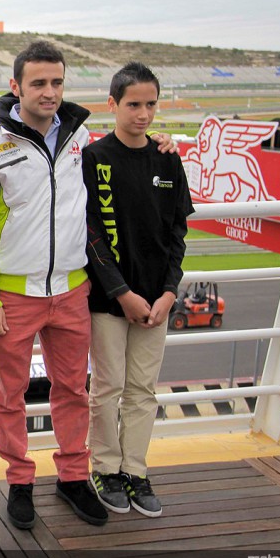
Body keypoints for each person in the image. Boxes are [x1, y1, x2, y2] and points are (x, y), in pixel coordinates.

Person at [0, 41, 177, 531]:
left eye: (57, 82)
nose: (49, 92)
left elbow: (128, 146)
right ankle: (20, 481)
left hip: (73, 292)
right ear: (15, 86)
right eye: (38, 83)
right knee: (9, 395)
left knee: (73, 390)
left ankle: (71, 478)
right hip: (14, 294)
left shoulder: (82, 139)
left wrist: (165, 142)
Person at [84, 62, 194, 519]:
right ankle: (105, 469)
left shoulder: (169, 159)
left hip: (158, 302)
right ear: (112, 105)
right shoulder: (94, 159)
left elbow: (177, 236)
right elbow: (89, 236)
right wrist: (122, 293)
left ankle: (135, 471)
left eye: (151, 104)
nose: (143, 113)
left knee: (143, 391)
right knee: (107, 388)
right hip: (110, 301)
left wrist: (169, 294)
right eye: (133, 104)